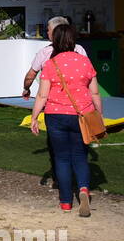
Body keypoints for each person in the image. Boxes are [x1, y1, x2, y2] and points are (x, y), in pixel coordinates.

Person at [29, 23, 101, 215]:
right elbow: (95, 92)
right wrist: (99, 116)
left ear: (55, 41)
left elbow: (42, 96)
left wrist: (34, 117)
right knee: (80, 155)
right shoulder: (85, 62)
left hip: (56, 115)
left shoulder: (51, 64)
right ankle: (84, 189)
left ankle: (66, 201)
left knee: (61, 158)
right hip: (82, 115)